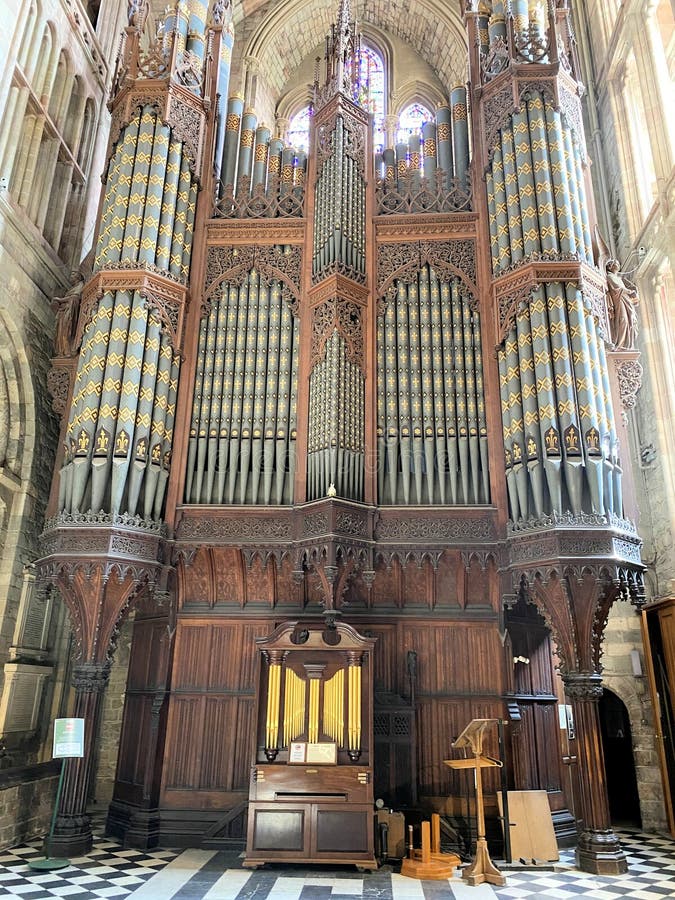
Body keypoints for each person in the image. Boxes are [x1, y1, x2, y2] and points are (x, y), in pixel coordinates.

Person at [606, 258, 639, 350]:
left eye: (617, 263)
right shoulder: (610, 276)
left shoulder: (618, 278)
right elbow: (617, 288)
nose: (617, 264)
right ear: (609, 266)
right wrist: (629, 291)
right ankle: (620, 345)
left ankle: (628, 345)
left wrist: (632, 294)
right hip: (619, 301)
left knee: (631, 321)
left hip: (626, 301)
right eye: (614, 263)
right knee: (623, 320)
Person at [52, 270, 84, 357]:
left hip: (70, 312)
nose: (71, 276)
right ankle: (62, 350)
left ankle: (67, 350)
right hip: (65, 310)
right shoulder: (72, 288)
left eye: (73, 274)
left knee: (67, 327)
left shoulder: (81, 285)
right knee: (61, 329)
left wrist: (60, 300)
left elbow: (75, 297)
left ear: (78, 277)